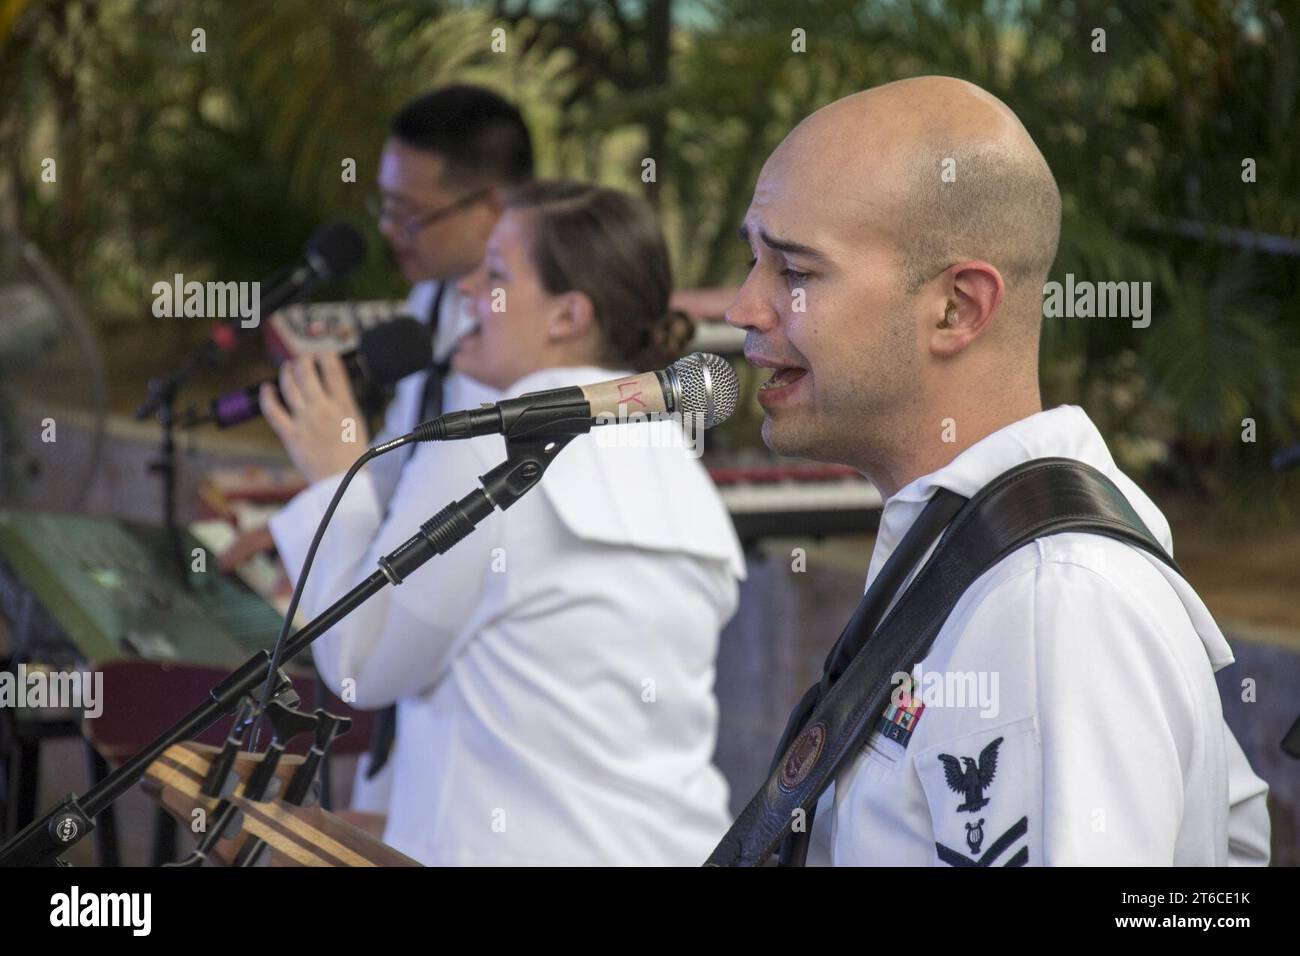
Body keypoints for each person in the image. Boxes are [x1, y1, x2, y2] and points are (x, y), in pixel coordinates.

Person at [723, 75, 1270, 865]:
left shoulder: (1055, 600)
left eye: (796, 272)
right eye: (754, 260)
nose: (745, 308)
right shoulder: (979, 555)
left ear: (958, 308)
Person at [263, 177, 744, 865]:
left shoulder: (494, 443)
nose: (464, 292)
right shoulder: (670, 455)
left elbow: (360, 668)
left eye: (494, 274)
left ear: (567, 315)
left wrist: (333, 476)